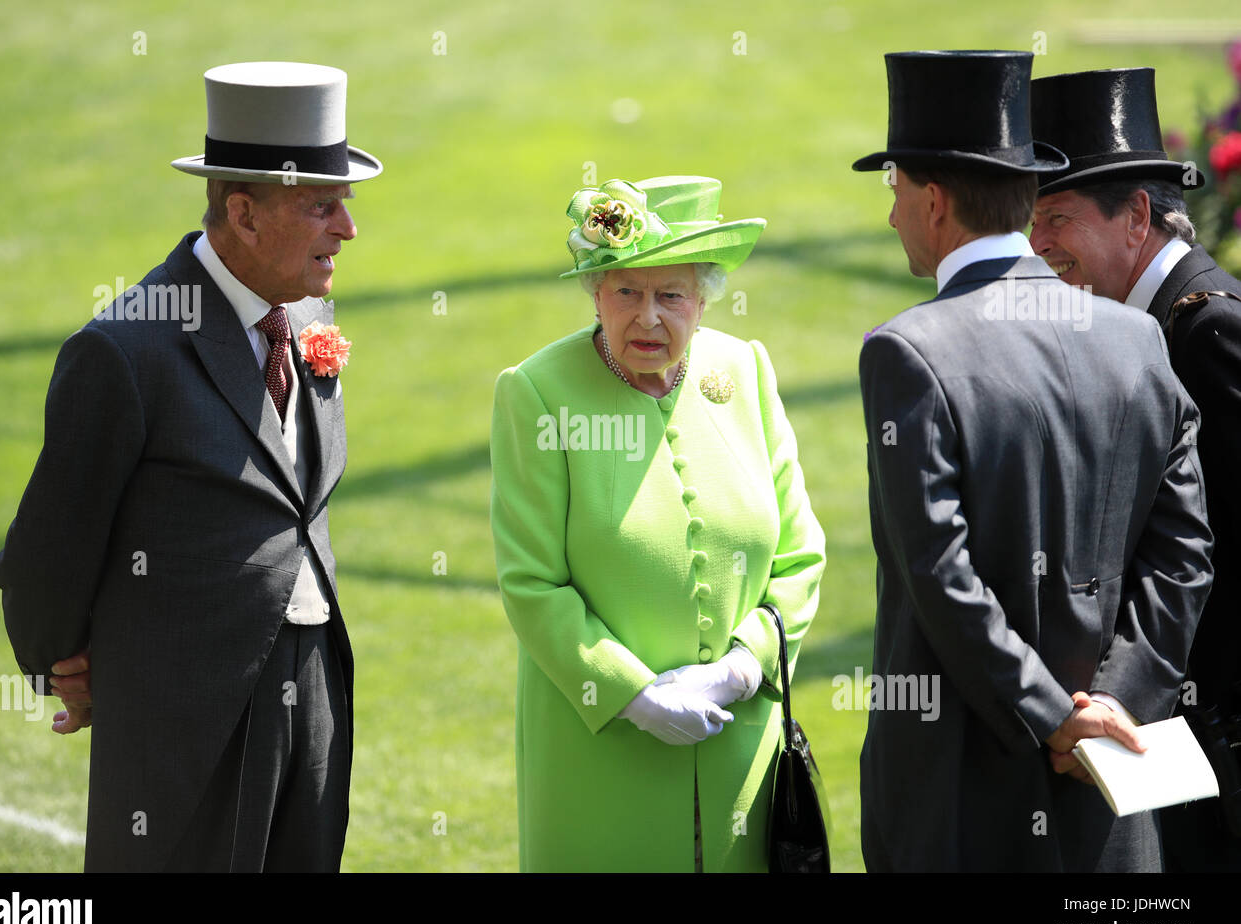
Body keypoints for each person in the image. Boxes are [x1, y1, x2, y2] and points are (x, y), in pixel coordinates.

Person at [0, 61, 379, 871]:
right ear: (242, 212)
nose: (347, 229)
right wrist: (63, 662)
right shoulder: (125, 351)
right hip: (185, 719)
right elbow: (44, 552)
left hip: (313, 695)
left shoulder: (307, 314)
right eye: (321, 205)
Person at [852, 50, 1213, 871]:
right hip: (1111, 798)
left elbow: (938, 573)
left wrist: (1054, 716)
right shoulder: (1139, 338)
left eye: (897, 191)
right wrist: (1111, 709)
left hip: (960, 806)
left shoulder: (908, 351)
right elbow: (1185, 553)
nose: (891, 215)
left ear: (935, 201)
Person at [489, 175, 826, 871]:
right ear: (595, 293)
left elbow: (799, 557)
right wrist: (634, 697)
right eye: (626, 293)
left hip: (743, 761)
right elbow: (532, 586)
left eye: (671, 295)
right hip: (601, 764)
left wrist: (740, 667)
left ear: (703, 298)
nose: (648, 318)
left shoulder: (744, 369)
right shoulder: (538, 392)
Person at [1030, 66, 1241, 871]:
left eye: (1056, 218)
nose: (1038, 245)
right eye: (1031, 220)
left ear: (1138, 217)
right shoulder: (1142, 326)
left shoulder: (1204, 331)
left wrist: (1154, 690)